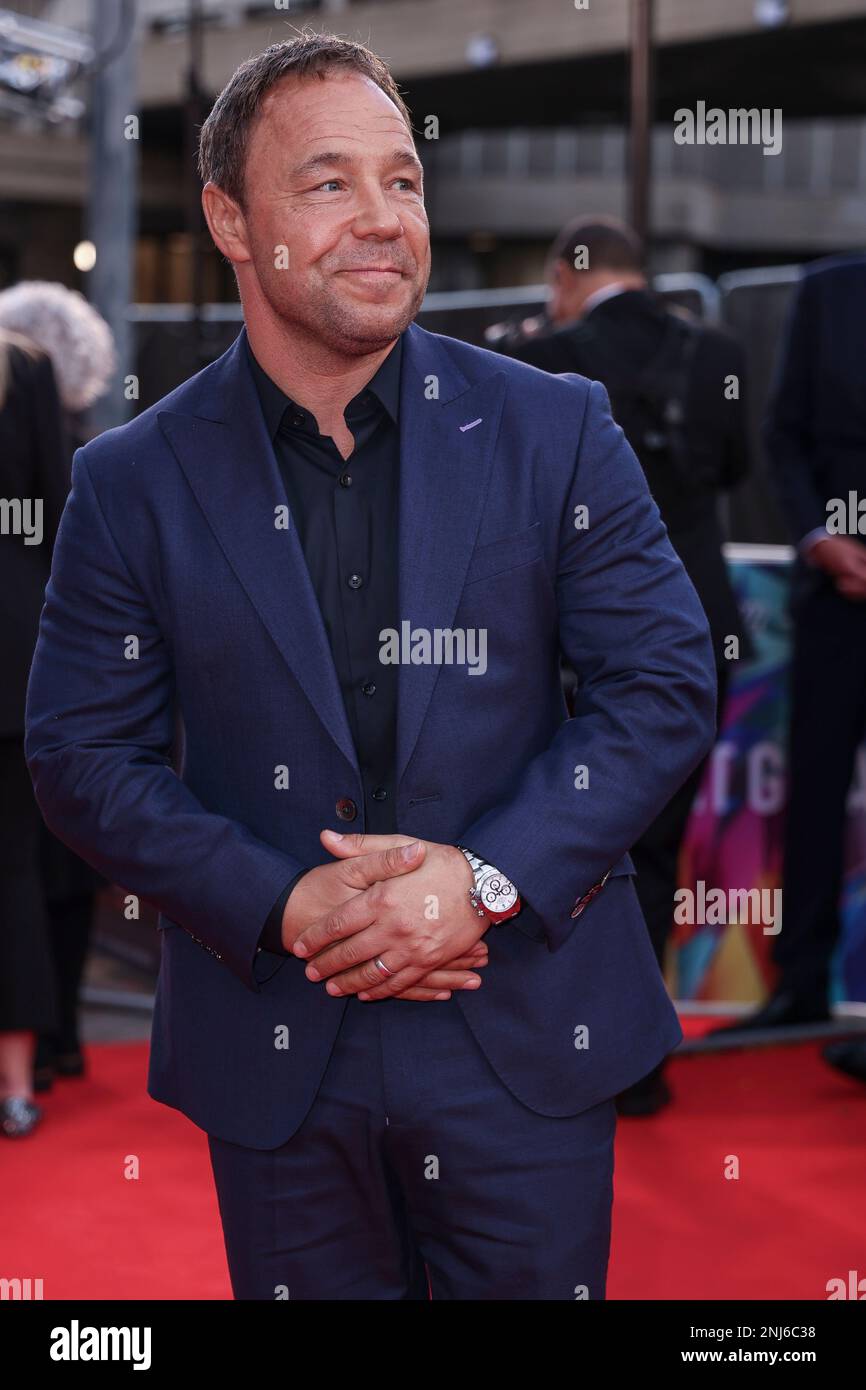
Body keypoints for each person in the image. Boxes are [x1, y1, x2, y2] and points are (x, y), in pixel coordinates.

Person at [26, 33, 715, 1298]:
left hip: (522, 1028)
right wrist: (281, 904)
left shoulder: (552, 426)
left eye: (401, 181)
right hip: (279, 1049)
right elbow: (79, 753)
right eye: (329, 182)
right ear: (232, 220)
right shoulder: (132, 479)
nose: (384, 220)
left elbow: (661, 682)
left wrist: (489, 879)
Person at [499, 218, 751, 1113]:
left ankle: (561, 1056)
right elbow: (733, 468)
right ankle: (639, 1067)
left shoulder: (540, 361)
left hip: (561, 642)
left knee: (560, 844)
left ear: (567, 277)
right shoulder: (717, 349)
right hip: (696, 630)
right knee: (656, 847)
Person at [725, 253, 866, 1075]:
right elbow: (783, 433)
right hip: (831, 601)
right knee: (813, 797)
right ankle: (801, 985)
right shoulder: (826, 292)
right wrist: (822, 541)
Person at [0, 328, 68, 1136]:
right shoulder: (26, 365)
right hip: (15, 642)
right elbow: (55, 514)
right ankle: (16, 1081)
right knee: (15, 870)